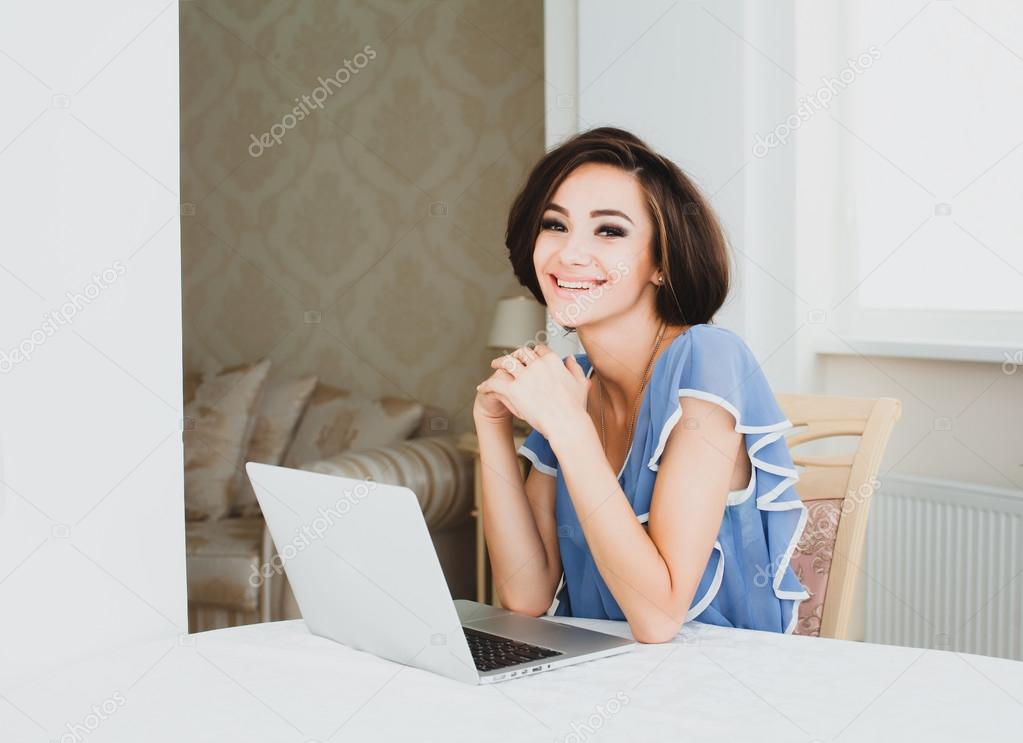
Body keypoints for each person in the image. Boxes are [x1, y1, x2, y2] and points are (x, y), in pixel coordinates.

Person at [473, 127, 809, 642]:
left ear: (660, 262)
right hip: (600, 677)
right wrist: (492, 427)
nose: (570, 254)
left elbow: (657, 619)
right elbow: (526, 594)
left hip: (718, 687)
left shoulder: (710, 361)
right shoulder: (577, 383)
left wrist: (569, 428)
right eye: (554, 225)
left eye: (609, 231)